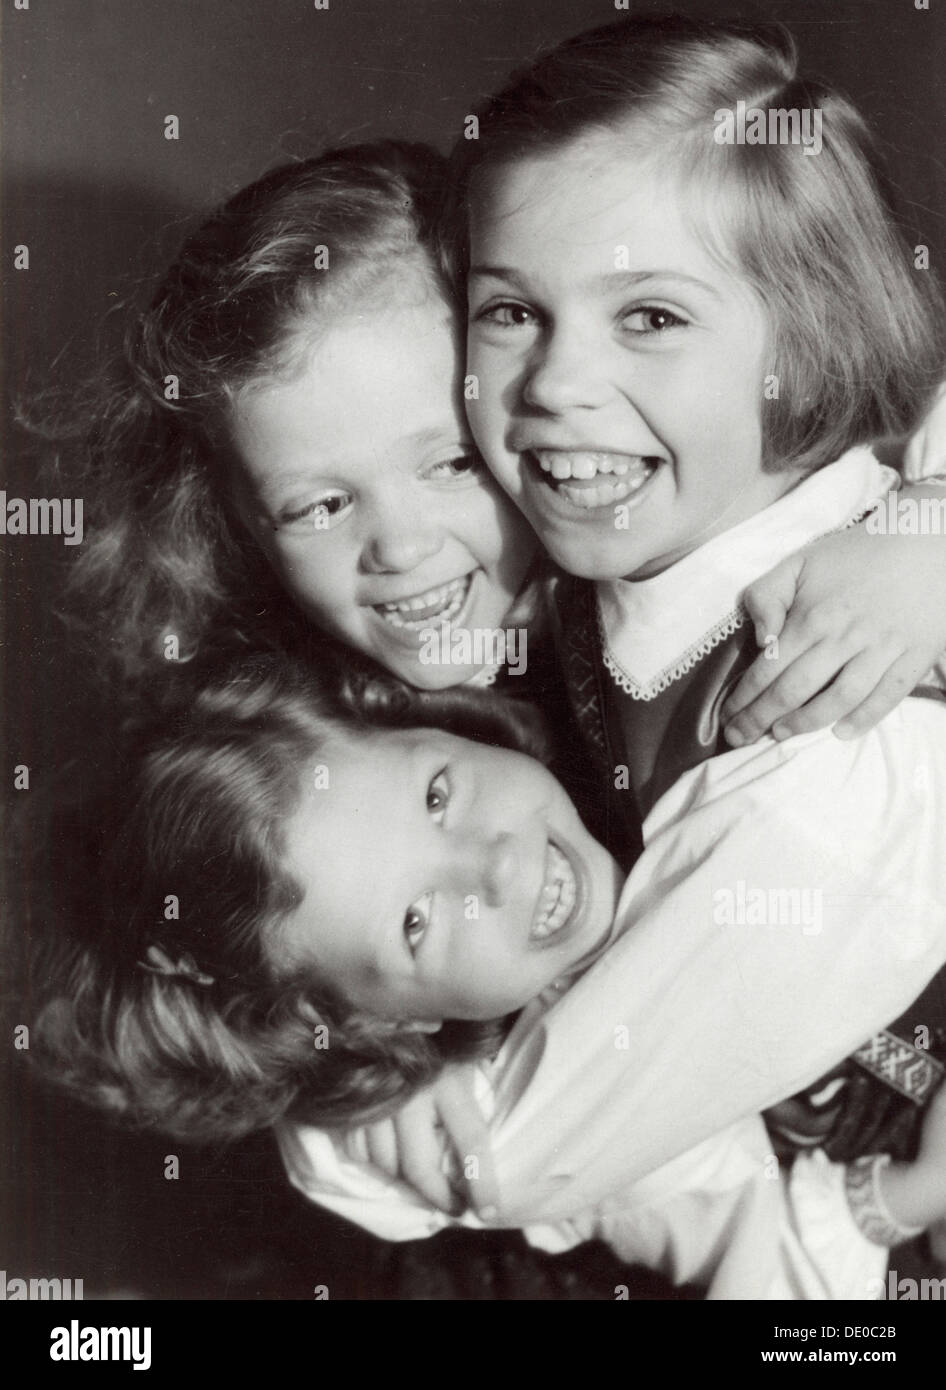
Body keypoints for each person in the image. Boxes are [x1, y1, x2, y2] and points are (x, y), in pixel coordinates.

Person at [26, 652, 946, 1298]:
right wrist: (910, 1193)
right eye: (418, 924)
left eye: (437, 794)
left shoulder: (619, 729)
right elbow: (770, 1276)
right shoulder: (557, 1125)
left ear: (429, 722)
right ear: (387, 1023)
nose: (498, 867)